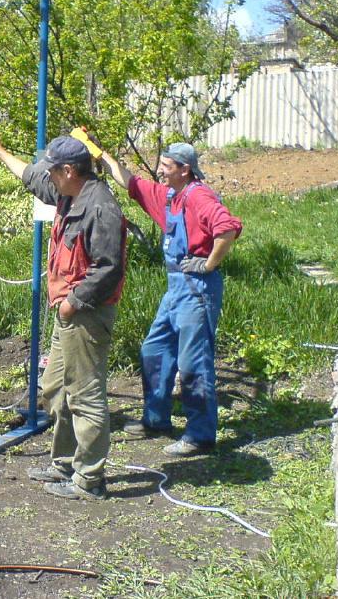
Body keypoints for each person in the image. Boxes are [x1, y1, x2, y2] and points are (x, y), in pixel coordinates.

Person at [0, 134, 127, 500]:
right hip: (69, 312)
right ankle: (64, 462)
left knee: (85, 394)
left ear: (68, 170)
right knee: (55, 388)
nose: (49, 177)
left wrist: (72, 301)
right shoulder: (68, 192)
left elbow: (108, 268)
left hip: (86, 314)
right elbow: (31, 176)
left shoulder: (100, 208)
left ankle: (89, 480)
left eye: (53, 171)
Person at [99, 143, 241, 456]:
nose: (160, 170)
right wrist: (101, 155)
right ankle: (156, 419)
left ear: (184, 169)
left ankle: (200, 435)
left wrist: (209, 263)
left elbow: (227, 229)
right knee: (155, 349)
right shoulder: (170, 196)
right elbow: (132, 182)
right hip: (175, 287)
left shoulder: (199, 196)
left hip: (197, 287)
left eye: (166, 165)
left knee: (193, 362)